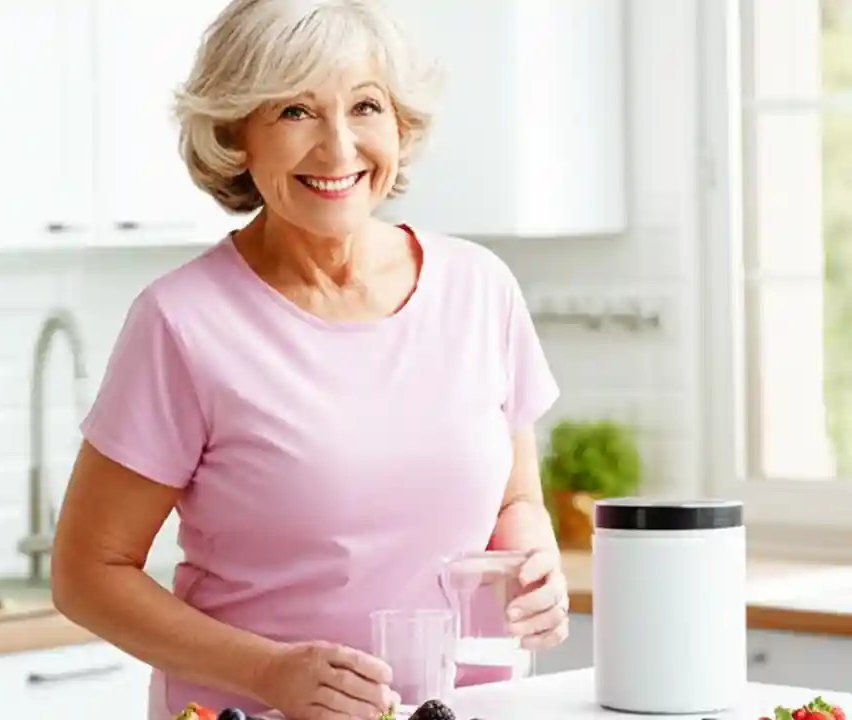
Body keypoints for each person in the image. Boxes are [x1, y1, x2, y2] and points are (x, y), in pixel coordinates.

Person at [50, 1, 568, 718]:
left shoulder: (479, 288)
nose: (338, 148)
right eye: (295, 111)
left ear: (399, 124)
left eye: (365, 106)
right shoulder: (184, 323)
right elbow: (87, 573)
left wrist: (534, 566)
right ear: (237, 135)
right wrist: (268, 673)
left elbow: (514, 502)